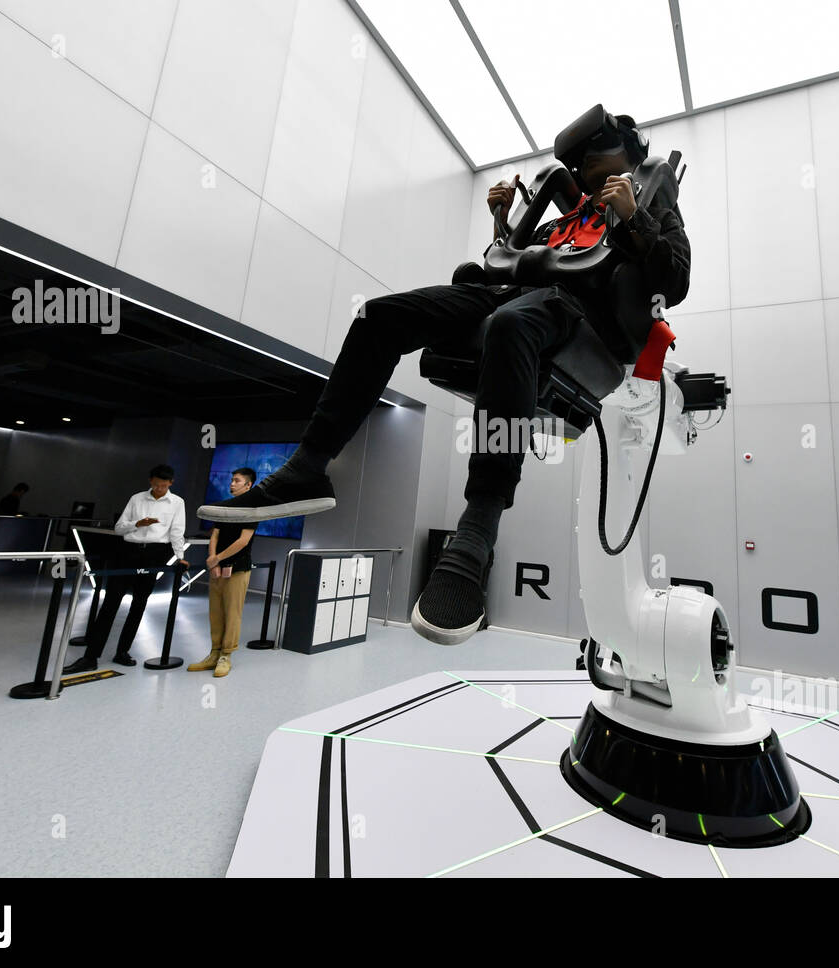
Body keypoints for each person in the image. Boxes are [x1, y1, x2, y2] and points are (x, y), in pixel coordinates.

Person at [200, 111, 690, 646]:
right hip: (513, 296)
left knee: (511, 325)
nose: (593, 178)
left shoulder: (654, 210)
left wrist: (635, 219)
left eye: (601, 167)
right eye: (584, 170)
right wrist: (504, 223)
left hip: (579, 317)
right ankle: (309, 466)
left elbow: (676, 279)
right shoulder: (564, 220)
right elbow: (505, 262)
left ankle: (480, 522)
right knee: (378, 317)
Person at [63, 464, 190, 672]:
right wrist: (138, 524)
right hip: (128, 551)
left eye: (164, 485)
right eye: (157, 484)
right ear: (150, 481)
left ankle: (122, 651)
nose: (159, 489)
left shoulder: (177, 502)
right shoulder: (137, 498)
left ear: (171, 483)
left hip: (154, 555)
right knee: (110, 603)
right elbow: (119, 528)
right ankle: (90, 656)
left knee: (139, 604)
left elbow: (177, 531)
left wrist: (180, 557)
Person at [188, 468, 257, 678]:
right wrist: (212, 560)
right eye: (232, 480)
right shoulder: (224, 507)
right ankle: (214, 653)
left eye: (237, 481)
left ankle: (226, 655)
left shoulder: (252, 510)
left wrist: (218, 558)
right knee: (215, 611)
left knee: (232, 612)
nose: (232, 484)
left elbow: (243, 541)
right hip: (216, 568)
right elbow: (215, 534)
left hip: (238, 568)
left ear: (248, 485)